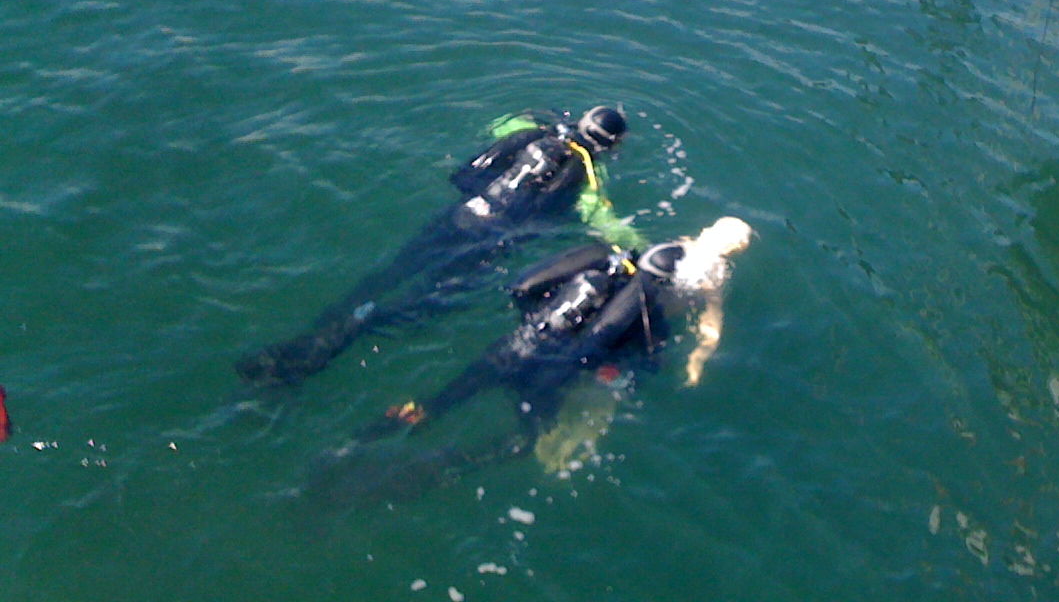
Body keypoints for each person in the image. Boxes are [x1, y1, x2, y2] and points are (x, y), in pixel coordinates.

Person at [237, 106, 642, 385]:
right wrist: (647, 250)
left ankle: (303, 341)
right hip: (486, 244)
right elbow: (603, 222)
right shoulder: (589, 178)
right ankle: (340, 341)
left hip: (459, 217)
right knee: (423, 303)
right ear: (611, 146)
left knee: (385, 276)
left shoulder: (533, 134)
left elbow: (502, 124)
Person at [370, 216, 753, 437]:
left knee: (461, 388)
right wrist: (699, 360)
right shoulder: (712, 279)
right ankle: (521, 441)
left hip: (525, 338)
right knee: (535, 424)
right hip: (575, 356)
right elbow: (710, 324)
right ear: (734, 252)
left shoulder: (668, 249)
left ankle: (420, 410)